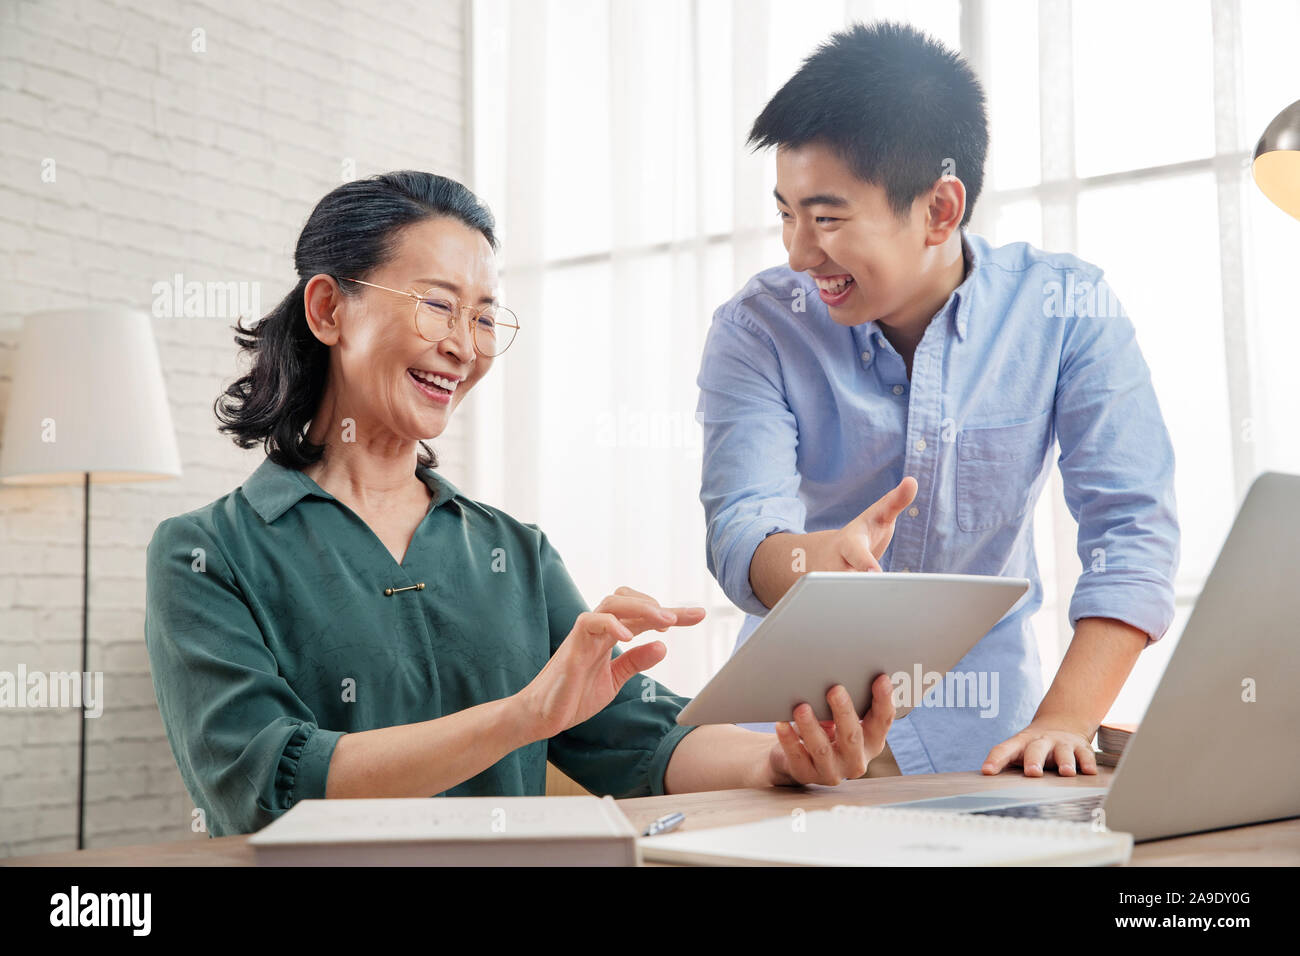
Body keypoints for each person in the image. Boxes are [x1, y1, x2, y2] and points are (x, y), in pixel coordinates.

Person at [143, 171, 895, 837]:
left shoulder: (513, 552)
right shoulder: (207, 554)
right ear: (329, 310)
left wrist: (781, 755)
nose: (465, 346)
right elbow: (266, 785)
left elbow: (638, 737)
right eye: (438, 305)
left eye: (483, 317)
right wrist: (523, 716)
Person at [696, 22, 1179, 779]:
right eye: (787, 213)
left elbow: (1131, 530)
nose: (797, 253)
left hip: (984, 750)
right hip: (789, 742)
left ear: (940, 210)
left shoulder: (1066, 307)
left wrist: (1064, 721)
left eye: (826, 219)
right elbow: (738, 528)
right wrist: (815, 560)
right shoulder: (758, 327)